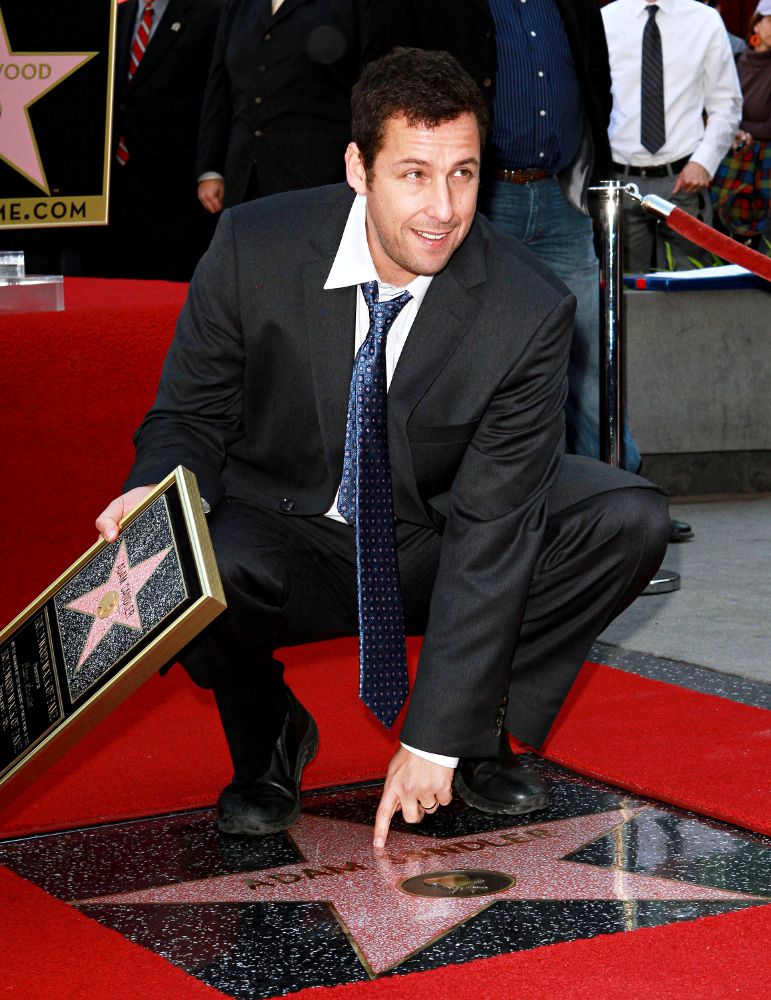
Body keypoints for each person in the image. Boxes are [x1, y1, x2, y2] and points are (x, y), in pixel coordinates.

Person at [96, 49, 669, 849]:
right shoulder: (254, 246)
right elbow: (190, 415)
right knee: (181, 548)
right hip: (289, 526)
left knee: (625, 517)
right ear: (357, 169)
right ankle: (266, 733)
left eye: (463, 174)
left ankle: (475, 728)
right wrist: (151, 492)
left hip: (433, 534)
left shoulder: (526, 306)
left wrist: (433, 739)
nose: (443, 209)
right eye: (413, 175)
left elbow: (495, 522)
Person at [362, 0, 643, 477]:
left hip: (561, 197)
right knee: (473, 354)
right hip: (477, 201)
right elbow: (388, 78)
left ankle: (616, 484)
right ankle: (482, 487)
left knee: (588, 355)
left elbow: (595, 78)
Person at [84, 0, 224, 281]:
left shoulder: (211, 13)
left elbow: (217, 95)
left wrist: (210, 169)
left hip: (178, 189)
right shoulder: (117, 15)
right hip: (116, 191)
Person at [602, 0, 742, 273]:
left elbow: (726, 103)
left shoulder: (705, 21)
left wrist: (703, 161)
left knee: (691, 285)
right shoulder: (606, 20)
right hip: (621, 183)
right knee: (625, 288)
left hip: (684, 181)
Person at [196, 0, 364, 214]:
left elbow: (366, 86)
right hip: (242, 180)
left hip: (317, 181)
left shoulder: (350, 6)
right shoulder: (237, 6)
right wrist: (210, 169)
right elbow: (219, 89)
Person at [711, 0, 771, 248]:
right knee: (719, 234)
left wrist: (736, 127)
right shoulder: (735, 60)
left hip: (765, 164)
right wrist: (732, 128)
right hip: (731, 159)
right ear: (756, 24)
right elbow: (715, 107)